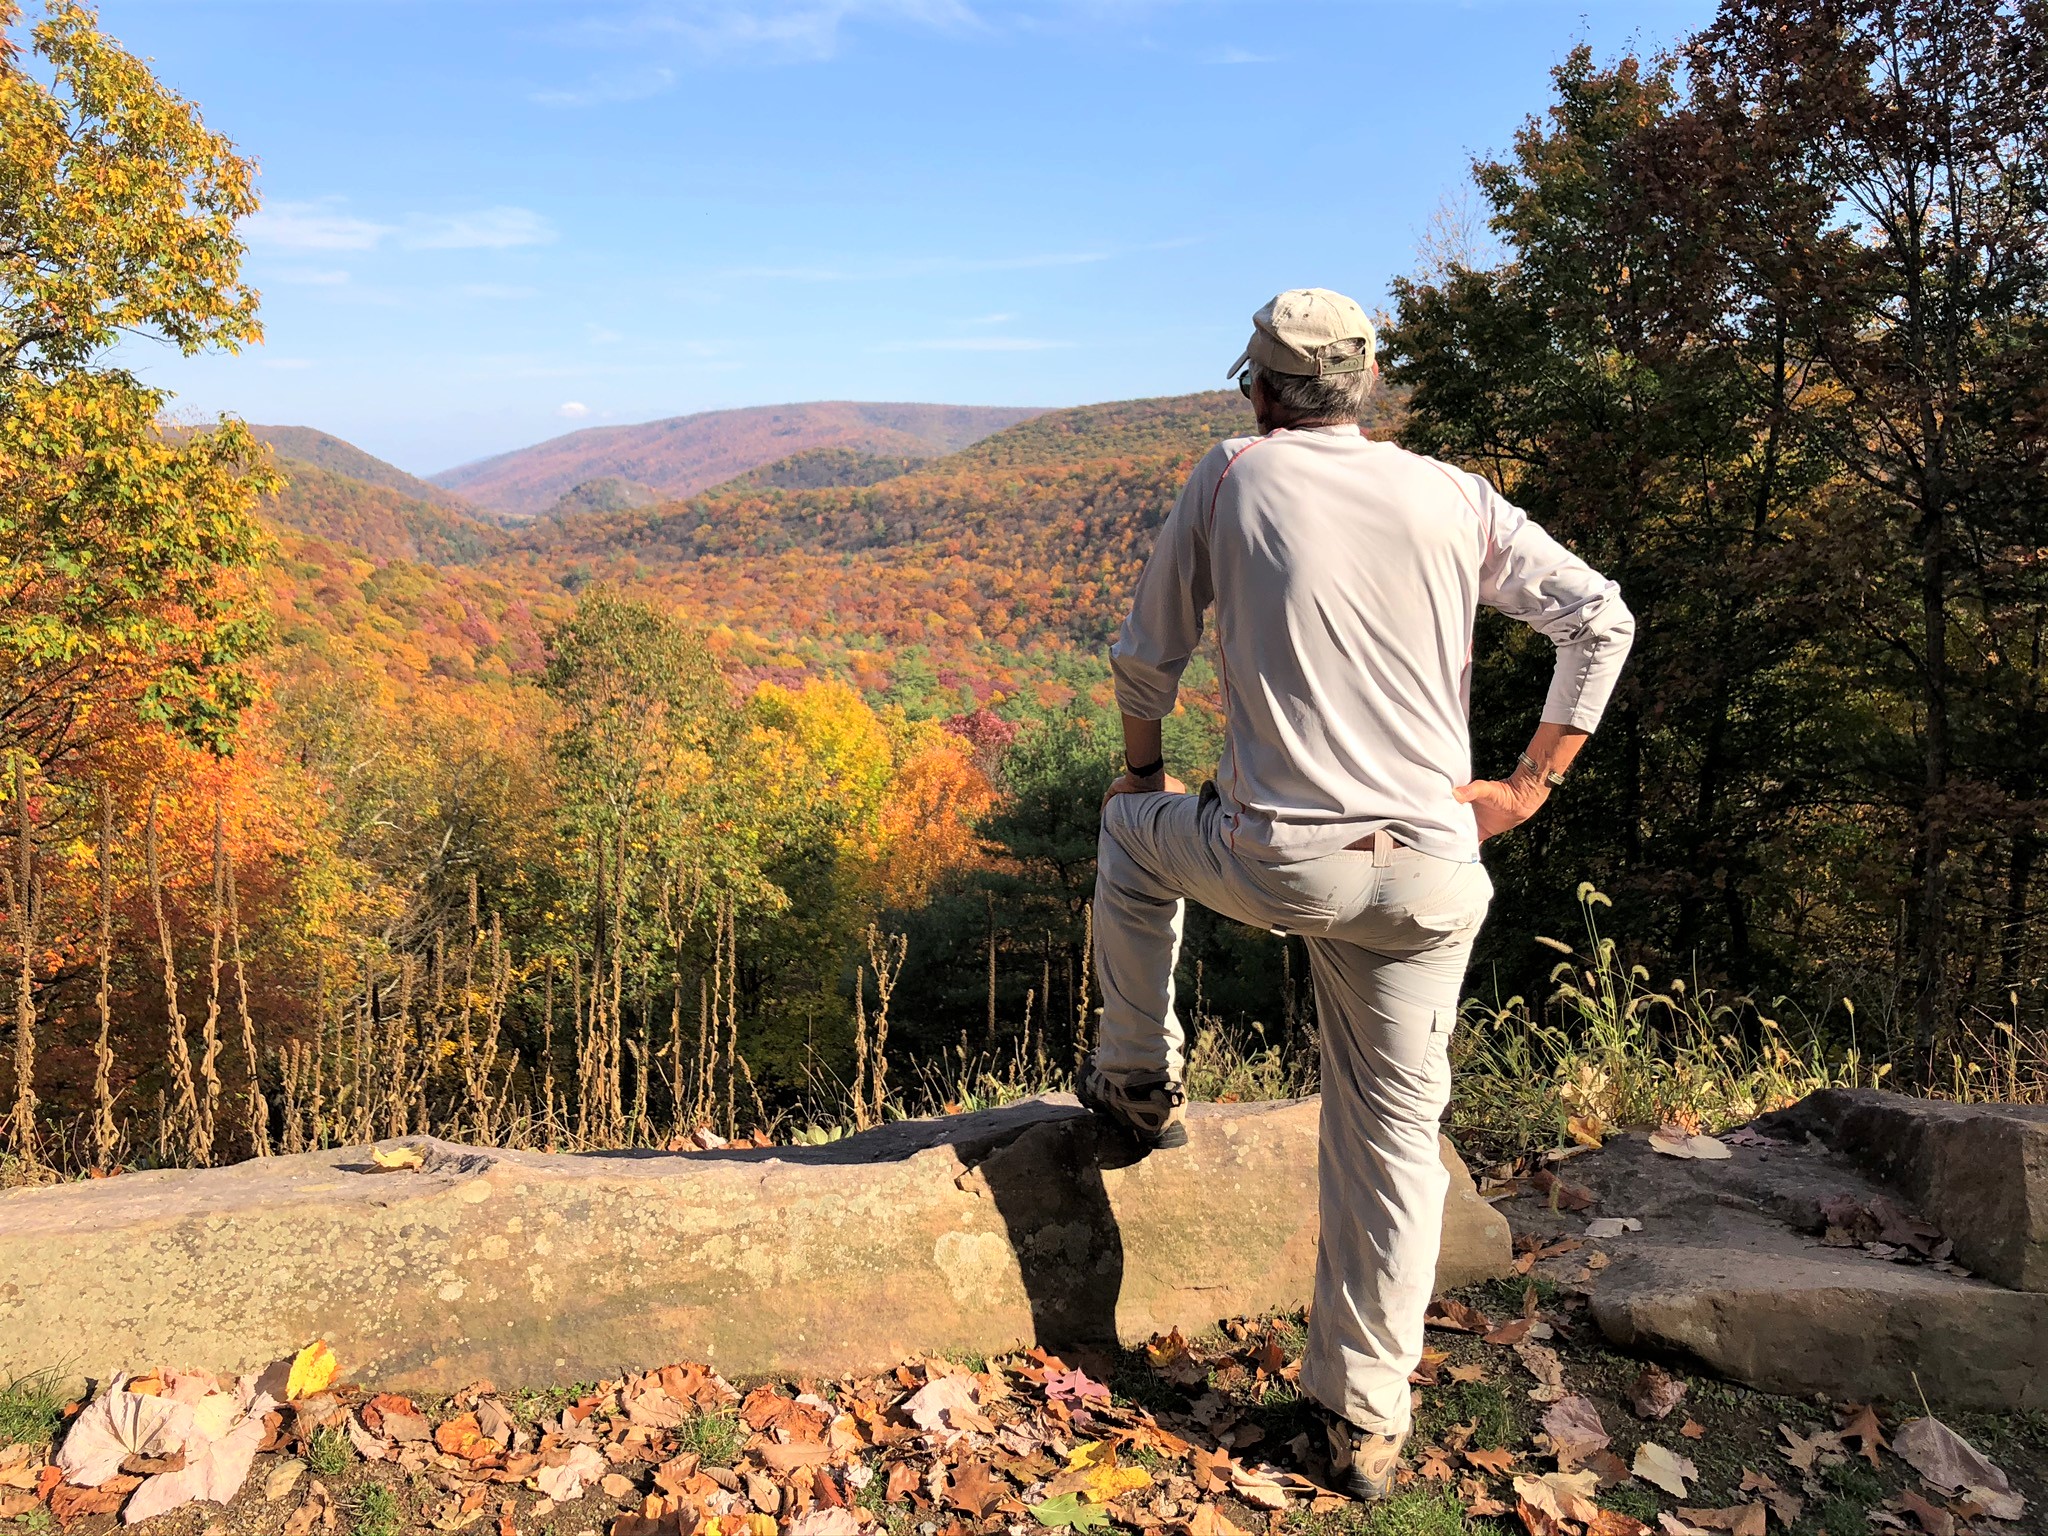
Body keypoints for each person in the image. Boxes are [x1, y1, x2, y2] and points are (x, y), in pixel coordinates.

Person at [1078, 288, 1635, 1501]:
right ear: (1367, 385)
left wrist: (1139, 776)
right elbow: (1598, 617)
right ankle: (1359, 1428)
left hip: (1282, 854)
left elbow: (1146, 655)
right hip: (1435, 868)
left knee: (1130, 841)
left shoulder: (1231, 476)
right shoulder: (1450, 493)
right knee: (1387, 1138)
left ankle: (1131, 1080)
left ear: (1259, 389)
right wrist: (1525, 788)